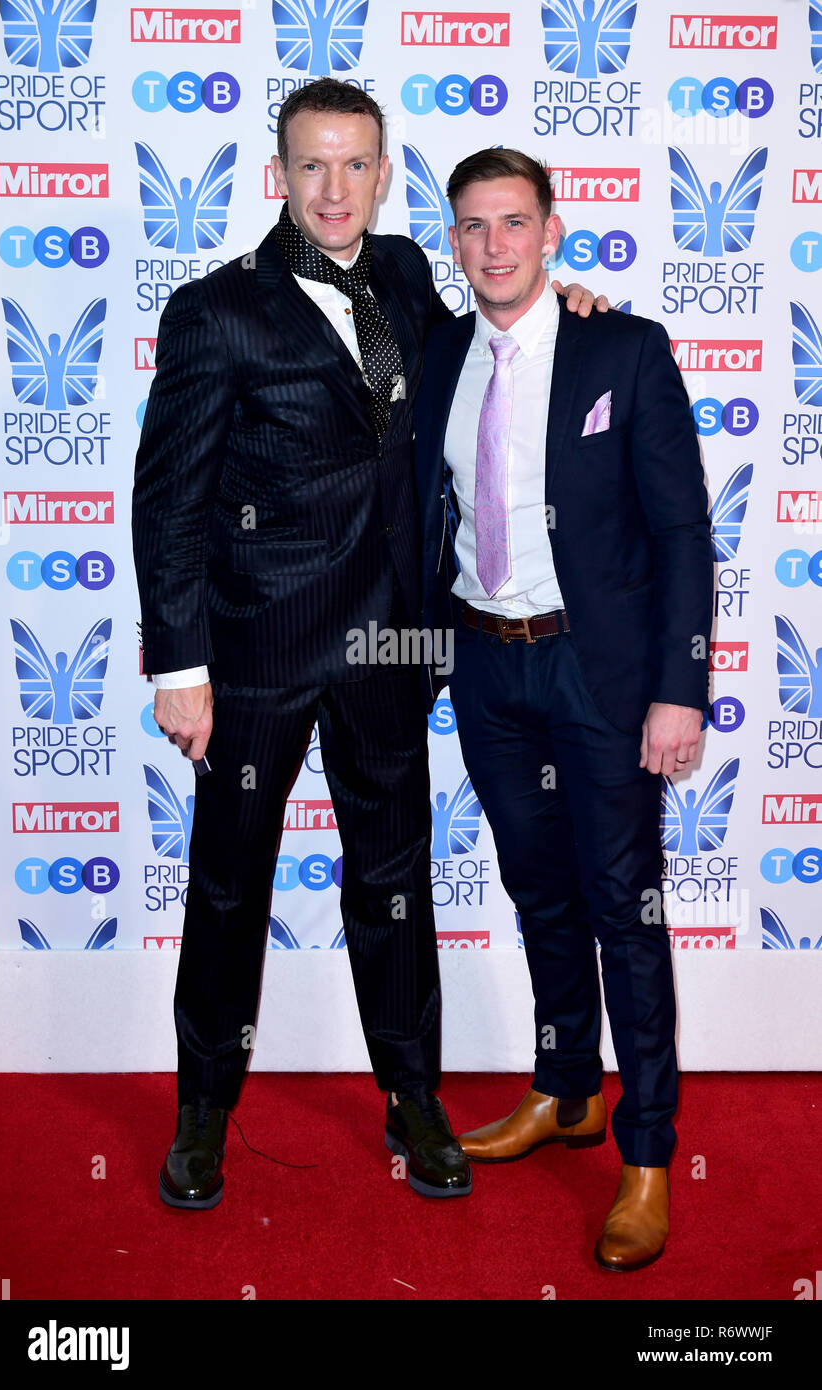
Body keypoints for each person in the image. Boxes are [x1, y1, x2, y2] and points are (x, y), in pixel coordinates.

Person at [132, 84, 601, 1210]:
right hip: (259, 645)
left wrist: (554, 307)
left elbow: (474, 359)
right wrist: (178, 666)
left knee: (391, 880)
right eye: (312, 167)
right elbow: (168, 503)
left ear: (382, 174)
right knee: (229, 879)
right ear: (277, 176)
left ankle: (412, 1095)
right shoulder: (216, 312)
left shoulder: (401, 273)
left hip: (393, 638)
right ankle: (204, 1108)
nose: (333, 189)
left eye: (354, 166)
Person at [413, 148, 713, 1270]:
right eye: (471, 227)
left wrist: (679, 688)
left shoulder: (620, 348)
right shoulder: (443, 349)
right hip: (489, 670)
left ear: (551, 231)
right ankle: (564, 1087)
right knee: (538, 889)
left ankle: (644, 1155)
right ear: (452, 241)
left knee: (621, 911)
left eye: (512, 223)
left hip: (602, 674)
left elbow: (683, 530)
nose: (492, 245)